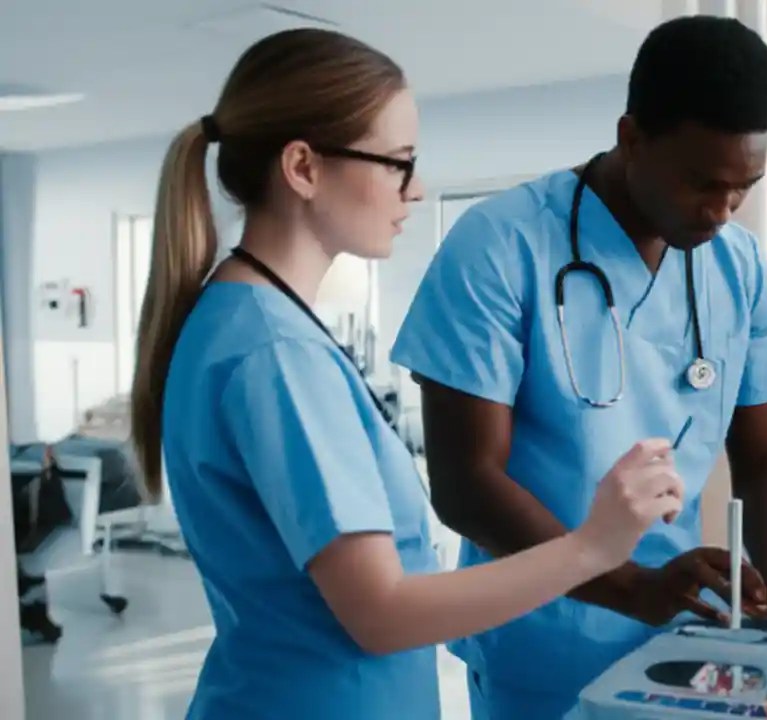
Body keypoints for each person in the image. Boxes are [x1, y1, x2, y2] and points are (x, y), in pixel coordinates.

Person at [129, 28, 690, 720]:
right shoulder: (275, 353)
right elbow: (382, 613)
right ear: (302, 167)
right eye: (398, 164)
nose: (416, 190)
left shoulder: (236, 319)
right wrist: (592, 548)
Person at [391, 15, 767, 720]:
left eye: (743, 188)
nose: (721, 211)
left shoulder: (739, 268)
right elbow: (465, 483)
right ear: (632, 138)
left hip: (681, 644)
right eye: (702, 183)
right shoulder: (502, 245)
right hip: (539, 642)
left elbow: (765, 456)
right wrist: (626, 584)